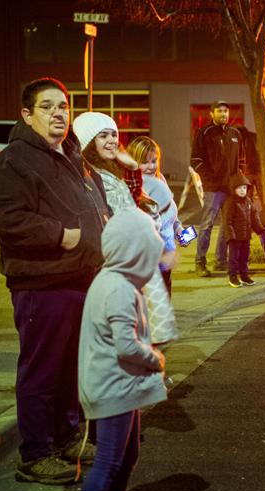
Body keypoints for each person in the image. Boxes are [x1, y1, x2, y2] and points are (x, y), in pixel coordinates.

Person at [0, 77, 110, 484]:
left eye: (63, 106)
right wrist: (61, 235)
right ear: (27, 114)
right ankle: (36, 454)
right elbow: (9, 219)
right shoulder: (13, 162)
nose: (58, 113)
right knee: (42, 372)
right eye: (47, 106)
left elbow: (93, 202)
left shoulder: (70, 155)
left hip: (79, 278)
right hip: (42, 285)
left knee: (69, 368)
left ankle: (66, 436)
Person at [78, 207, 168, 491]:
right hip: (113, 387)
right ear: (134, 250)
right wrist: (155, 359)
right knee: (108, 464)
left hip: (119, 385)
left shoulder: (114, 280)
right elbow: (126, 346)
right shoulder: (118, 289)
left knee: (126, 458)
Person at [73, 112, 178, 347]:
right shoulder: (88, 175)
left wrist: (131, 168)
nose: (112, 140)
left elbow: (132, 201)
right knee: (122, 333)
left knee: (140, 328)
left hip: (135, 257)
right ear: (87, 142)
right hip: (114, 261)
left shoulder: (111, 169)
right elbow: (118, 215)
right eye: (103, 136)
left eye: (114, 134)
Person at [190, 100, 245, 277]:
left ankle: (221, 261)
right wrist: (210, 179)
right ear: (212, 114)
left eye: (225, 111)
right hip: (213, 188)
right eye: (219, 111)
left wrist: (238, 181)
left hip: (231, 188)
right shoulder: (204, 133)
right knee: (207, 225)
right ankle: (200, 262)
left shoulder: (235, 134)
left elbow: (241, 161)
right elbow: (196, 160)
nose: (223, 114)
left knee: (227, 225)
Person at [128, 136, 183, 295]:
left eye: (154, 161)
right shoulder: (135, 190)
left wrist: (178, 229)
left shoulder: (160, 179)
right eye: (144, 162)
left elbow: (169, 210)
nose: (151, 167)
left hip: (165, 260)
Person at [222, 172, 265, 288]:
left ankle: (244, 276)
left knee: (244, 257)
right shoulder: (230, 202)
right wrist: (230, 236)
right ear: (234, 189)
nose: (242, 190)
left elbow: (254, 217)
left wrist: (260, 229)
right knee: (234, 259)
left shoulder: (248, 201)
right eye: (239, 188)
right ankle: (233, 277)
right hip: (235, 237)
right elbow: (227, 221)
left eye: (244, 188)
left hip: (246, 236)